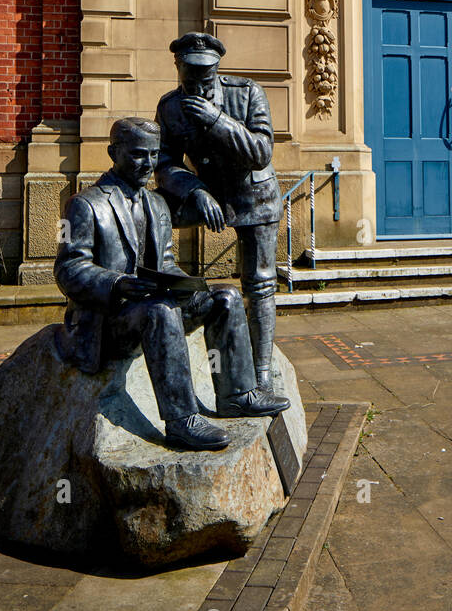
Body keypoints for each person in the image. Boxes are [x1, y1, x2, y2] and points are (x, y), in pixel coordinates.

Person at [54, 117, 289, 452]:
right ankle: (181, 421)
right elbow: (68, 269)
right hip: (108, 320)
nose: (147, 163)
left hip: (151, 303)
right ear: (112, 152)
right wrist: (118, 283)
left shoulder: (157, 203)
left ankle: (236, 394)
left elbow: (164, 264)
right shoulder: (84, 204)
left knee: (225, 297)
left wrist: (184, 285)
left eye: (152, 155)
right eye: (137, 154)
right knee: (161, 311)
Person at [154, 32, 283, 391]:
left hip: (254, 196)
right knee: (153, 209)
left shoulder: (247, 93)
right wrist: (193, 190)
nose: (198, 82)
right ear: (177, 67)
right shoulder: (170, 107)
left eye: (206, 75)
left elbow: (260, 151)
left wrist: (216, 119)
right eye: (190, 75)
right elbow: (163, 162)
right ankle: (163, 307)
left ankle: (260, 371)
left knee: (259, 283)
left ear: (217, 69)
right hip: (207, 196)